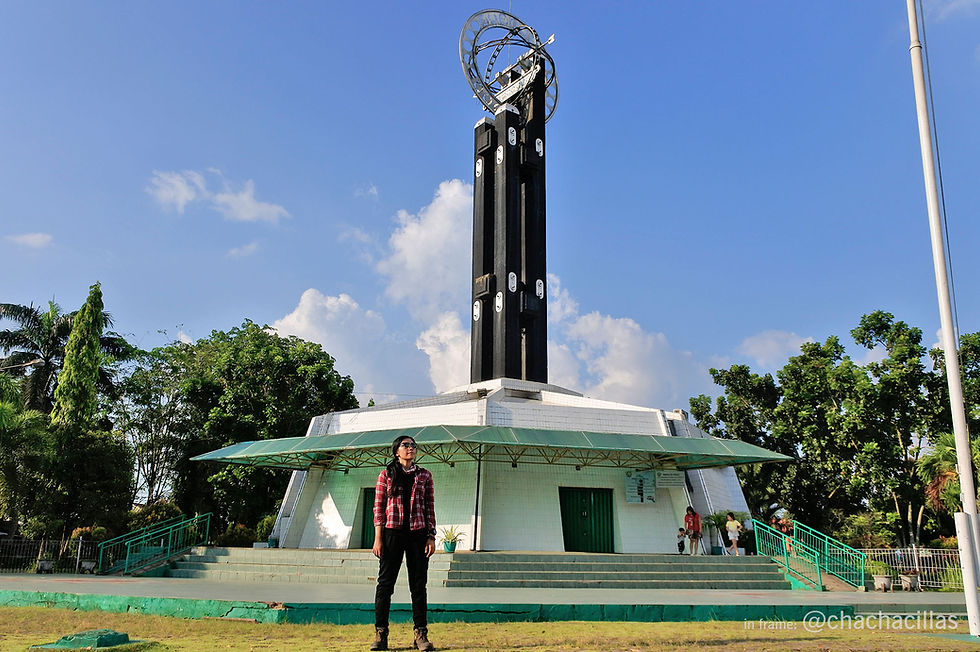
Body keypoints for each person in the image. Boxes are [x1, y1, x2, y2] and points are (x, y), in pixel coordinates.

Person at [371, 435, 436, 651]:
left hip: (417, 535)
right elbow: (378, 508)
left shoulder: (425, 475)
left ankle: (421, 635)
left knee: (418, 586)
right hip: (392, 534)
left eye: (413, 445)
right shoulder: (386, 475)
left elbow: (429, 507)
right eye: (405, 445)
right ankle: (381, 634)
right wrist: (378, 538)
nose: (410, 448)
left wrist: (431, 536)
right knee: (385, 585)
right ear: (396, 451)